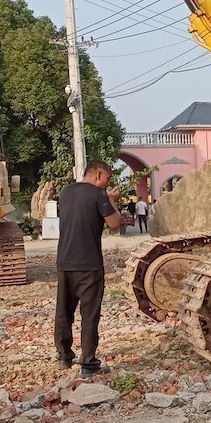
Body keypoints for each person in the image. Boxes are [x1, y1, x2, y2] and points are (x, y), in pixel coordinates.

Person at [55, 160, 122, 377]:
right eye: (107, 179)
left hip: (65, 262)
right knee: (89, 314)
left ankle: (64, 356)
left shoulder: (66, 192)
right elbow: (114, 223)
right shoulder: (98, 195)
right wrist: (111, 201)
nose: (106, 184)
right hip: (89, 264)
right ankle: (88, 362)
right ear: (99, 174)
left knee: (64, 312)